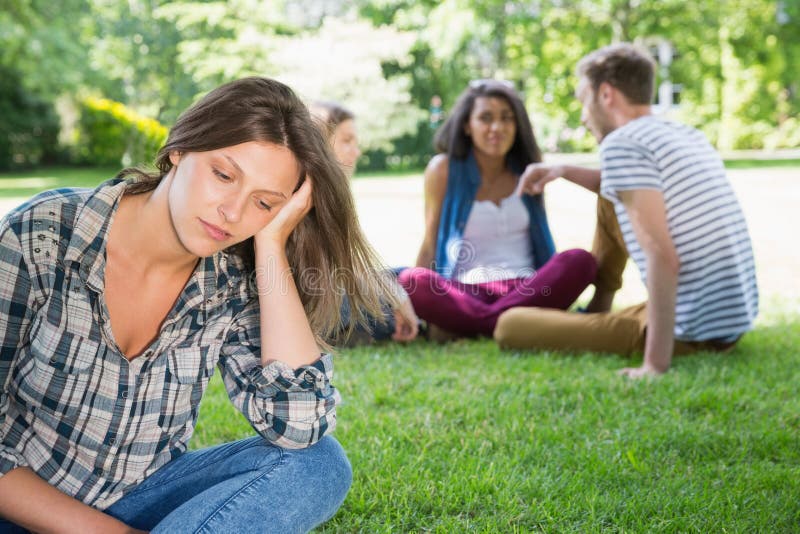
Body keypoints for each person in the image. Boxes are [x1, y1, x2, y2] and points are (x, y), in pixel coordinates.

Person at [0, 77, 393, 533]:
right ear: (179, 149)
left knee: (320, 464)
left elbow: (299, 426)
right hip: (20, 502)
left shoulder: (233, 277)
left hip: (143, 497)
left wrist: (270, 246)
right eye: (223, 175)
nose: (233, 212)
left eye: (264, 203)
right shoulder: (44, 235)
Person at [495, 43, 759, 378]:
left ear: (606, 94)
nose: (583, 115)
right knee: (609, 195)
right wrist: (562, 170)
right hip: (728, 320)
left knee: (510, 325)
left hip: (693, 329)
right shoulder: (682, 133)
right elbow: (618, 188)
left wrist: (654, 366)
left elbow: (662, 255)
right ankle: (599, 309)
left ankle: (606, 323)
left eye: (584, 100)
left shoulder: (622, 144)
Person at [396, 80, 597, 339]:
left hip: (528, 289)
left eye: (506, 118)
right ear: (467, 125)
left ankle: (482, 324)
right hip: (466, 293)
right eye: (486, 118)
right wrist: (412, 305)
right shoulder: (443, 170)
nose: (497, 127)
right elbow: (430, 243)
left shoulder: (529, 169)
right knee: (411, 280)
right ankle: (511, 324)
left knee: (580, 260)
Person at [310, 101, 419, 343]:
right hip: (315, 298)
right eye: (346, 141)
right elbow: (348, 268)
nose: (356, 152)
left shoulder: (331, 192)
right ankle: (421, 324)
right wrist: (398, 298)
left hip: (332, 288)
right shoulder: (313, 194)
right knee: (395, 297)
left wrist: (396, 293)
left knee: (405, 276)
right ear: (319, 143)